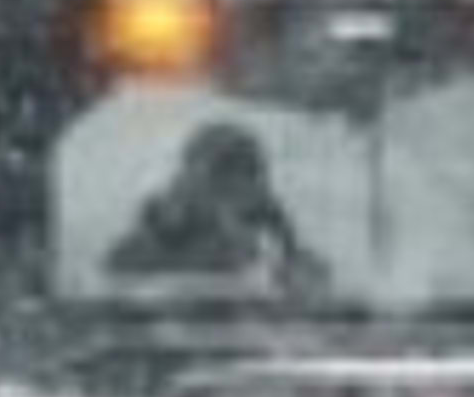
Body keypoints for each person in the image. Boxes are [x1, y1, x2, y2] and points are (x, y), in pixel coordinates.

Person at [106, 119, 321, 290]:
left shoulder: (275, 243)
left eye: (248, 174)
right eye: (224, 175)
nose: (238, 188)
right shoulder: (146, 244)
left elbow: (308, 279)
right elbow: (122, 270)